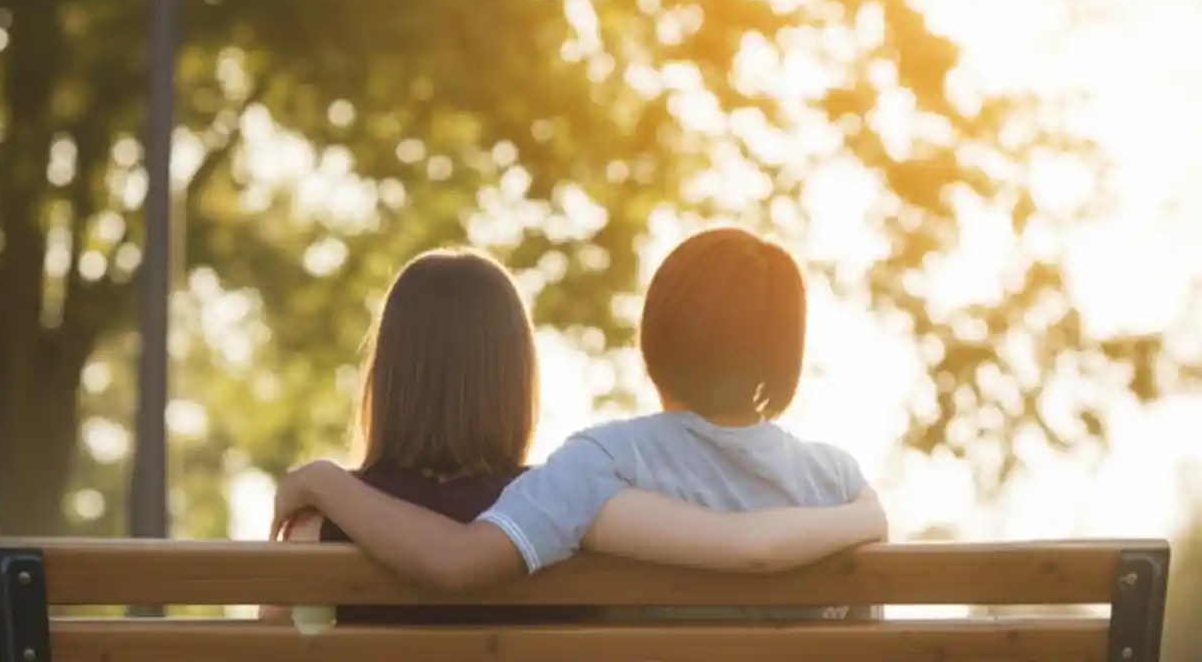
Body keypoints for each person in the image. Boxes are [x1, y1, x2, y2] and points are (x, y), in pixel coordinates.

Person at [269, 237, 886, 608]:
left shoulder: (597, 472)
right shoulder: (839, 483)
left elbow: (457, 562)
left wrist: (325, 482)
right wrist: (868, 514)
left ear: (655, 342)